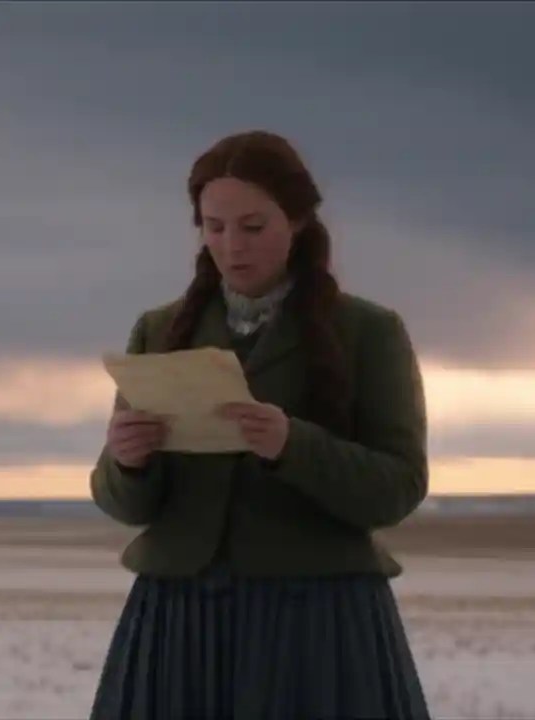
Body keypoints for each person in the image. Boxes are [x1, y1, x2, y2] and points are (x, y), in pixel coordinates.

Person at [88, 129, 432, 719]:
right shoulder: (160, 329)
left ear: (297, 222)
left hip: (317, 624)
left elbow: (398, 488)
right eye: (213, 227)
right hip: (178, 620)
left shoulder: (369, 331)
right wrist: (127, 461)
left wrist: (292, 445)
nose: (230, 246)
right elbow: (123, 504)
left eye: (252, 227)